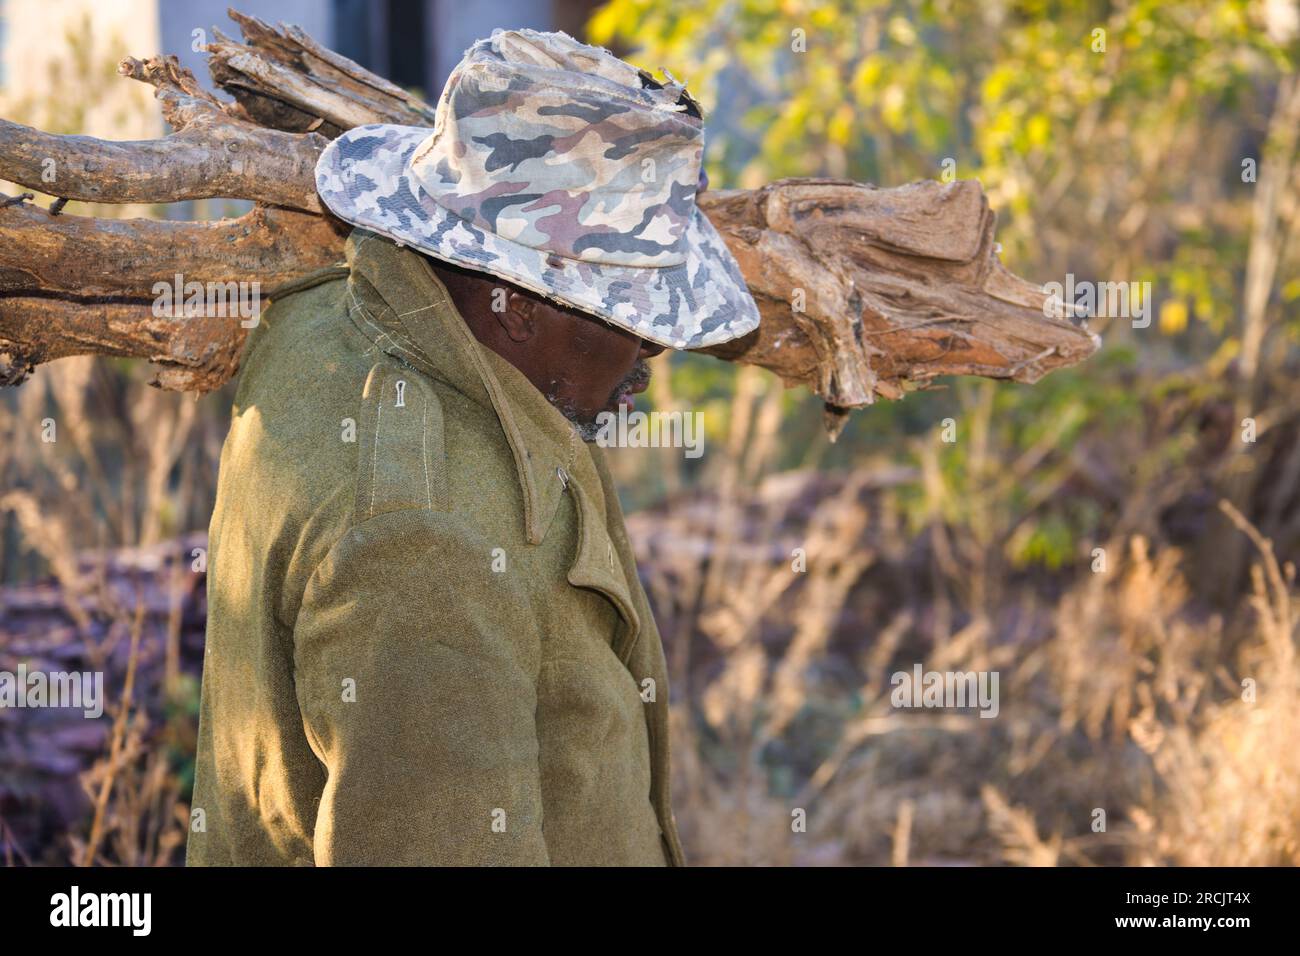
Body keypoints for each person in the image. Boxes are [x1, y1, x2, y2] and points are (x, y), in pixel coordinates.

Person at [186, 28, 759, 866]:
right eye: (637, 325)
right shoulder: (428, 548)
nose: (650, 359)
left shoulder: (326, 318)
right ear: (519, 306)